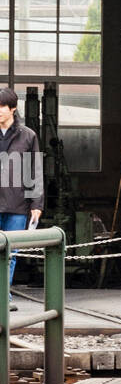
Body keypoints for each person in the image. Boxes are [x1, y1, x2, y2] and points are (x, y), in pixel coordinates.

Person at [0, 87, 43, 309]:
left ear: (13, 108)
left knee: (10, 253)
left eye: (2, 107)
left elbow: (34, 171)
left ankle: (3, 299)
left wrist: (37, 204)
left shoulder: (28, 136)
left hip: (17, 205)